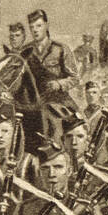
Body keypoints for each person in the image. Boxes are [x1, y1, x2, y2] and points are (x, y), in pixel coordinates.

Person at [18, 9, 78, 142]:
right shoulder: (25, 51)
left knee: (78, 126)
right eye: (32, 27)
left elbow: (74, 78)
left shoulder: (60, 49)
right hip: (33, 103)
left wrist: (59, 84)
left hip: (58, 100)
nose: (35, 30)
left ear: (46, 25)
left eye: (38, 26)